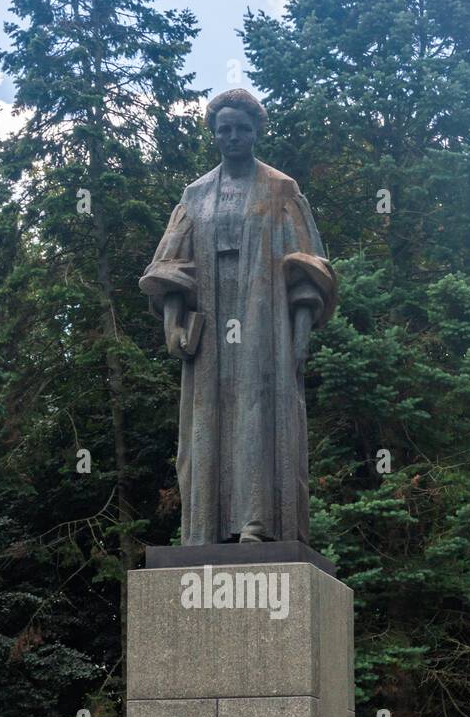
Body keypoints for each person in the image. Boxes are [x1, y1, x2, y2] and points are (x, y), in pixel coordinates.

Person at [140, 89, 337, 545]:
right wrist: (174, 324)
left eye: (242, 128)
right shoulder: (195, 194)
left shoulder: (280, 189)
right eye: (224, 129)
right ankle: (203, 529)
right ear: (213, 133)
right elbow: (170, 266)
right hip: (210, 321)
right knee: (207, 418)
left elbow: (308, 267)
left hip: (263, 318)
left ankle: (257, 524)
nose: (233, 136)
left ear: (257, 131)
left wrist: (300, 335)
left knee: (258, 412)